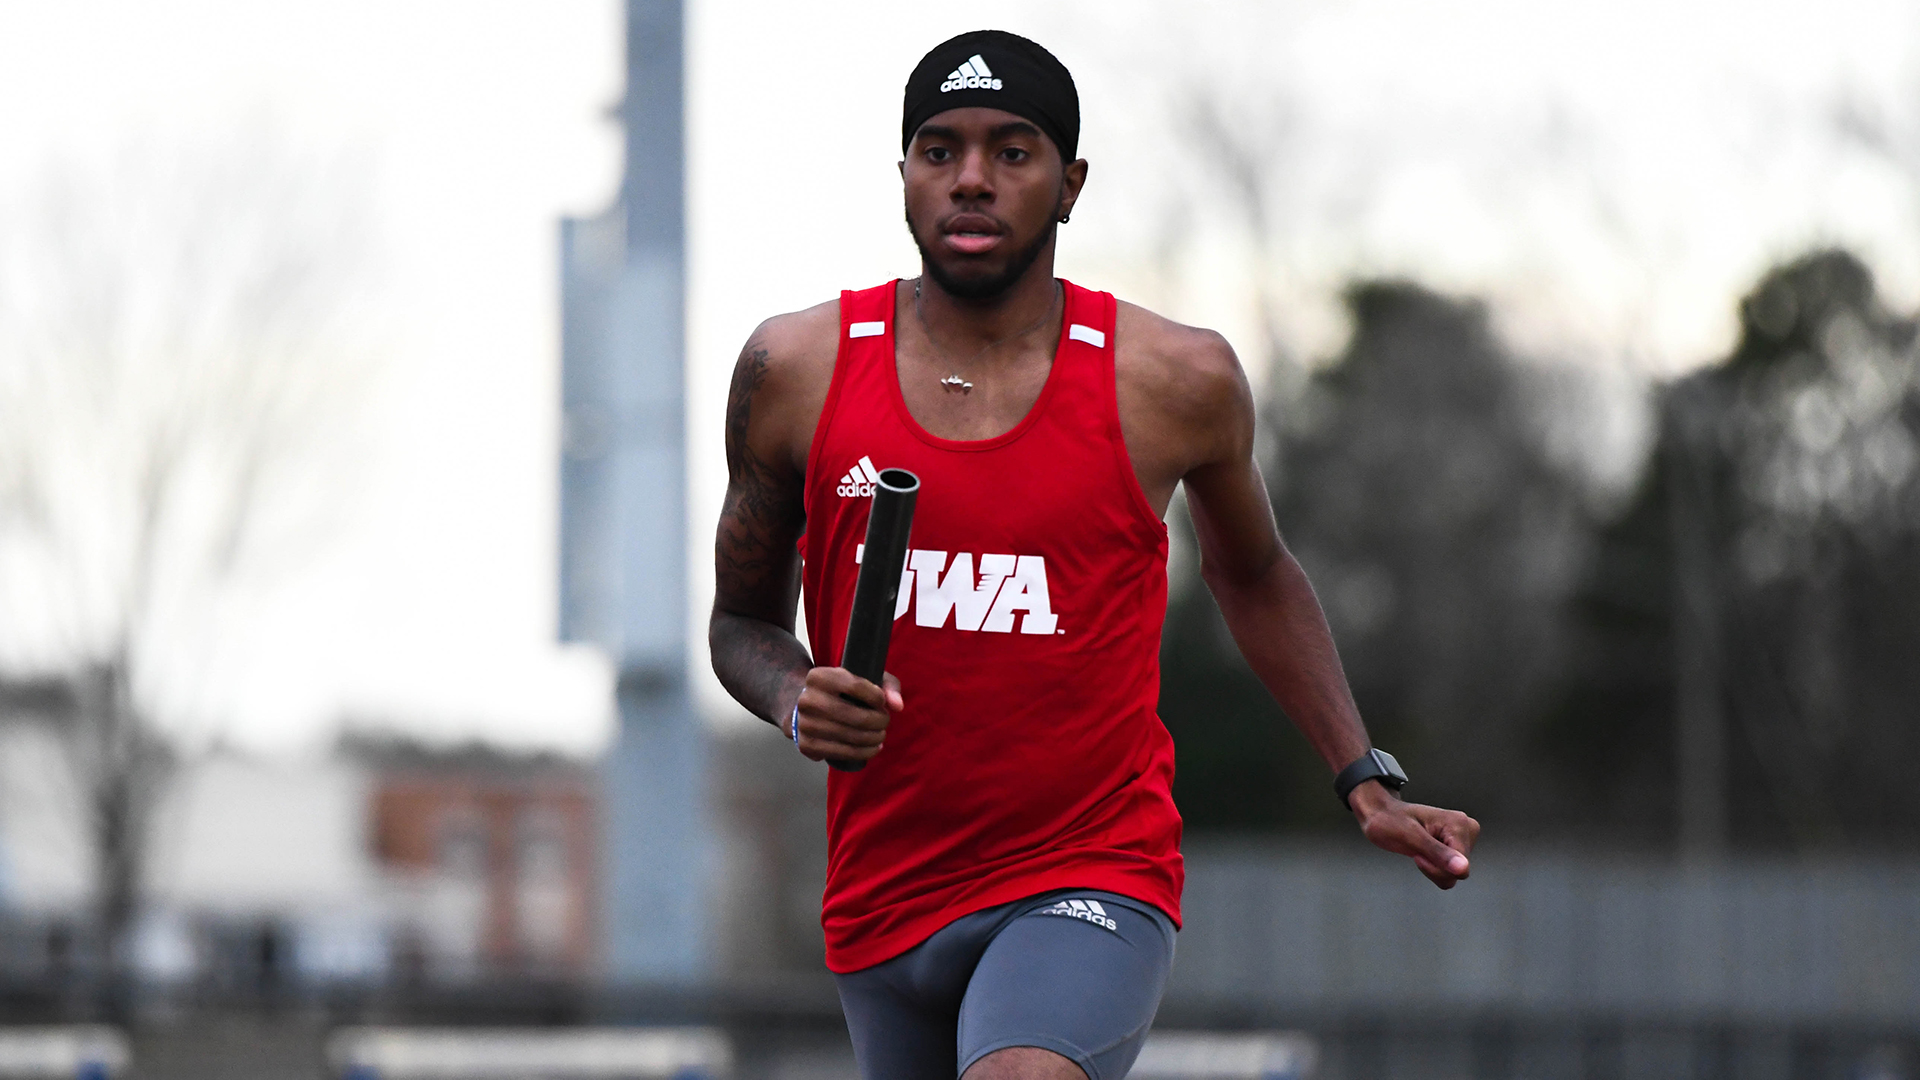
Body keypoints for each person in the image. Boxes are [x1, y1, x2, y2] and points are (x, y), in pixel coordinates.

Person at [709, 29, 1480, 1080]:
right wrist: (798, 700)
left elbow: (1255, 574)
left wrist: (1364, 778)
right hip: (884, 898)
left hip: (1088, 871)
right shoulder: (796, 369)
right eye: (939, 150)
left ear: (1070, 184)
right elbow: (740, 624)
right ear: (904, 176)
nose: (970, 178)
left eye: (1011, 151)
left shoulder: (1173, 380)